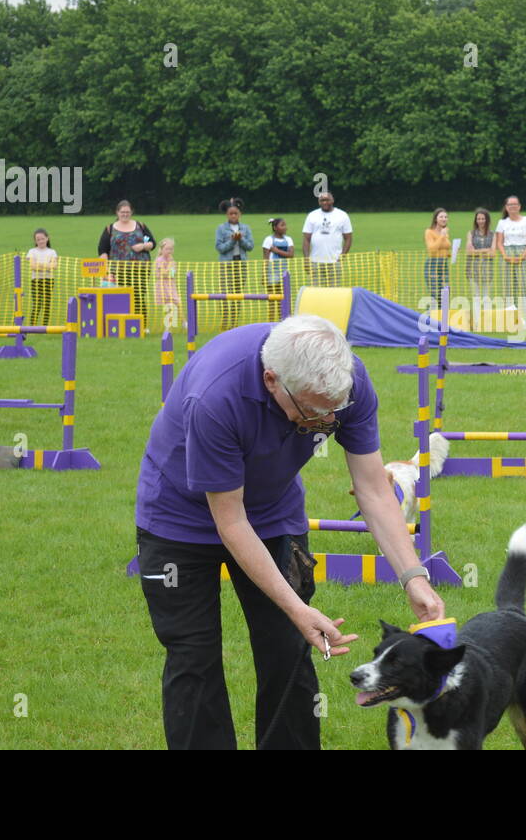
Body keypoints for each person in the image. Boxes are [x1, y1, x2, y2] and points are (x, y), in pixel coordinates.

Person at [135, 314, 445, 750]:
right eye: (315, 410)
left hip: (274, 513)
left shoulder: (344, 383)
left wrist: (413, 575)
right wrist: (296, 610)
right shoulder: (216, 396)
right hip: (179, 520)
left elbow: (374, 488)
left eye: (334, 409)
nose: (326, 419)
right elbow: (231, 521)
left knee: (288, 652)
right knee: (194, 660)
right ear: (271, 380)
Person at [98, 200, 156, 324]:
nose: (125, 214)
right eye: (122, 212)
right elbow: (102, 250)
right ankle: (121, 323)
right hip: (117, 270)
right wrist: (106, 271)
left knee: (139, 296)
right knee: (120, 296)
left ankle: (142, 325)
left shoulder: (141, 226)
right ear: (117, 213)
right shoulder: (110, 229)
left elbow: (153, 243)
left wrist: (143, 246)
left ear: (131, 212)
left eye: (127, 212)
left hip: (141, 268)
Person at [494, 195, 526, 330]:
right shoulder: (502, 223)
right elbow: (499, 242)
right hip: (507, 255)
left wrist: (523, 256)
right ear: (506, 207)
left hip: (523, 254)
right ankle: (511, 319)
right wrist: (505, 256)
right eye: (510, 205)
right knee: (508, 288)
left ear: (519, 206)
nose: (513, 207)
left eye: (515, 204)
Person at [215, 199, 255, 330]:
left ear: (240, 214)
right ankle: (225, 320)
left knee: (238, 292)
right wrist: (232, 241)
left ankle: (235, 320)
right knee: (226, 291)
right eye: (231, 213)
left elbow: (250, 246)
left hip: (240, 263)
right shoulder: (221, 229)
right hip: (226, 263)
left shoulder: (246, 228)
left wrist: (241, 239)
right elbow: (219, 247)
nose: (233, 216)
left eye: (235, 213)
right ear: (227, 215)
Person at [302, 192, 352, 287]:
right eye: (322, 200)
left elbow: (348, 238)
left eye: (327, 200)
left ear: (332, 200)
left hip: (335, 261)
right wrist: (306, 260)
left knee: (334, 293)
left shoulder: (342, 215)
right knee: (316, 292)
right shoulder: (312, 215)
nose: (325, 202)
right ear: (319, 202)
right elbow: (306, 239)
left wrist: (342, 257)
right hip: (315, 262)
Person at [464, 208, 496, 327]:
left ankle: (486, 321)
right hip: (472, 268)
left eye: (483, 218)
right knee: (476, 296)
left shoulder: (493, 234)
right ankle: (477, 322)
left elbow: (493, 253)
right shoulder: (471, 233)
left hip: (487, 269)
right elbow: (468, 252)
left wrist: (477, 251)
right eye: (478, 218)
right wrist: (486, 250)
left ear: (487, 219)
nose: (480, 221)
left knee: (487, 295)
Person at [262, 218, 294, 322]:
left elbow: (291, 255)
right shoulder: (268, 240)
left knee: (283, 299)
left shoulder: (288, 239)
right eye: (282, 225)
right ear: (275, 228)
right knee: (272, 298)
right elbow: (265, 258)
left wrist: (276, 250)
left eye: (285, 225)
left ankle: (283, 321)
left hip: (284, 273)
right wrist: (264, 274)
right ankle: (271, 321)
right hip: (272, 272)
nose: (285, 227)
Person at [27, 228, 58, 326]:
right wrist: (47, 266)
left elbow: (54, 266)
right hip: (36, 280)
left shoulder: (52, 252)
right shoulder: (32, 251)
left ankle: (44, 326)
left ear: (47, 238)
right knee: (36, 303)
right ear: (35, 241)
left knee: (46, 304)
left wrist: (39, 265)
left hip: (49, 280)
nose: (40, 241)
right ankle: (32, 326)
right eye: (38, 239)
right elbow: (32, 266)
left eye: (42, 238)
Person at [423, 208, 452, 308]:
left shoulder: (445, 233)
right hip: (432, 265)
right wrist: (442, 236)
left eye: (445, 217)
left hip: (443, 265)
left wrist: (451, 253)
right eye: (441, 217)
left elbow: (444, 248)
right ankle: (432, 317)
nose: (444, 219)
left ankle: (443, 318)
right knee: (435, 293)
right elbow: (432, 249)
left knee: (445, 291)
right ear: (436, 219)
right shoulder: (429, 232)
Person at [154, 237, 181, 327]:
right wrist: (170, 266)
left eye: (171, 249)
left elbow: (173, 274)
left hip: (170, 284)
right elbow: (163, 273)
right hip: (162, 285)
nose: (169, 251)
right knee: (167, 304)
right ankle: (168, 324)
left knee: (177, 302)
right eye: (167, 249)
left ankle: (183, 322)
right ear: (161, 250)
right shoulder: (159, 260)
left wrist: (171, 268)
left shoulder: (171, 260)